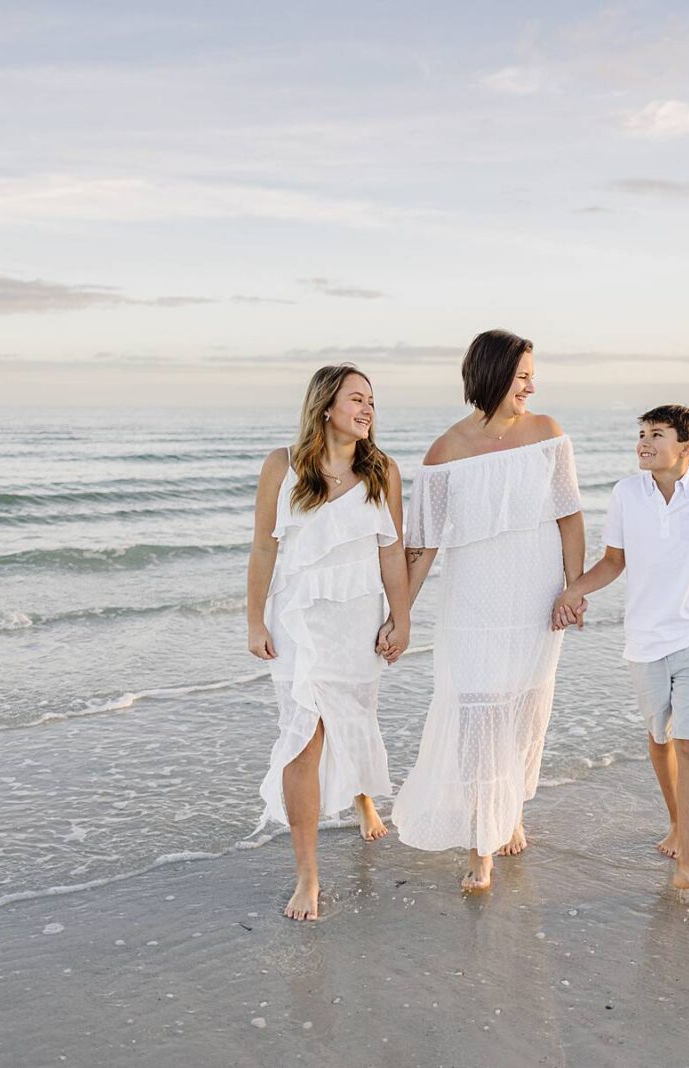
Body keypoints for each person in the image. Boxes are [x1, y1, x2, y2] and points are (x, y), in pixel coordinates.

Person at [391, 329, 585, 892]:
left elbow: (569, 517)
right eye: (522, 374)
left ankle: (510, 812)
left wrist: (573, 589)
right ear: (494, 374)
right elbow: (421, 545)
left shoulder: (548, 434)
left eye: (532, 375)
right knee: (478, 713)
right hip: (473, 600)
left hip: (534, 592)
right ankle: (482, 845)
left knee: (525, 709)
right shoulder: (445, 450)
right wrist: (400, 613)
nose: (531, 384)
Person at [553, 405, 689, 892]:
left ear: (687, 446)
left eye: (656, 435)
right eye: (641, 433)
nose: (643, 442)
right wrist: (574, 590)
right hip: (644, 640)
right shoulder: (625, 493)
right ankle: (678, 824)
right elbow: (614, 561)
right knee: (660, 740)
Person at [247, 364, 410, 921]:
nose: (367, 409)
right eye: (356, 399)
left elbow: (392, 551)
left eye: (371, 401)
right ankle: (308, 875)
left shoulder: (382, 471)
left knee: (353, 717)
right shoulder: (283, 466)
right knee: (303, 735)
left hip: (356, 616)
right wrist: (254, 621)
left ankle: (363, 799)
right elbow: (264, 549)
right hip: (297, 619)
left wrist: (402, 618)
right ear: (325, 406)